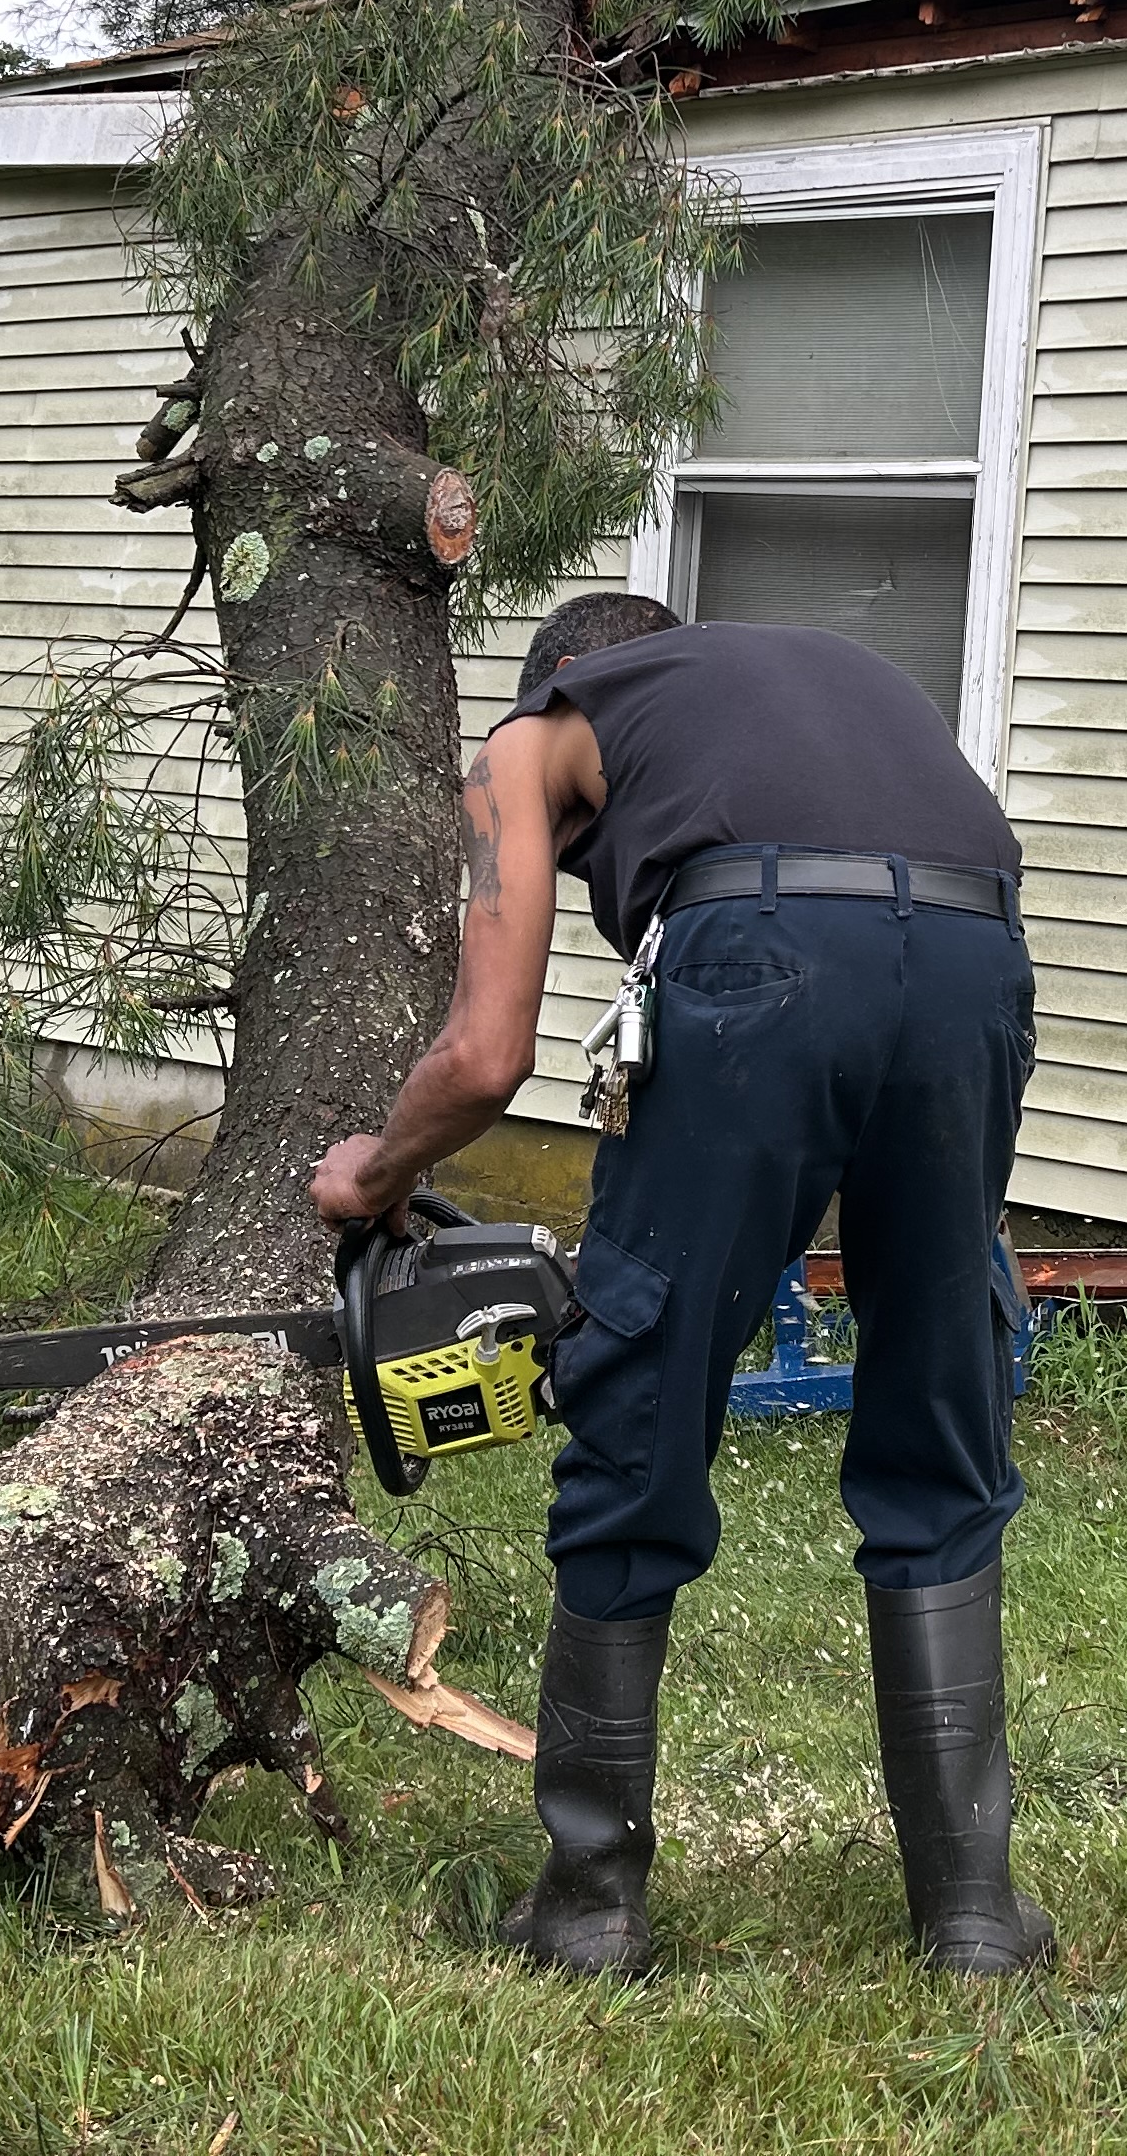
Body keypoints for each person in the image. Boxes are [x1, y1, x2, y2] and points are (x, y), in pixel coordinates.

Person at [308, 594, 1053, 1979]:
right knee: (938, 1404)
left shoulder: (529, 740)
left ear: (566, 683)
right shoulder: (820, 675)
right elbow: (909, 899)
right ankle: (972, 1918)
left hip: (760, 958)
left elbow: (485, 1057)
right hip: (977, 955)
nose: (579, 860)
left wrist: (370, 1175)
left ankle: (590, 1905)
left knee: (640, 1389)